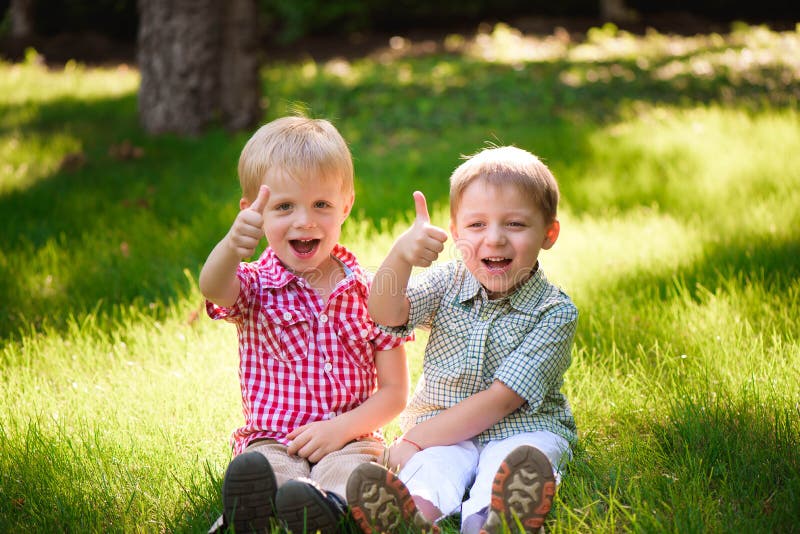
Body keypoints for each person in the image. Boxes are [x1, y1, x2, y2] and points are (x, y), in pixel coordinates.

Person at [346, 146, 578, 534]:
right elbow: (386, 313)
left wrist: (414, 439)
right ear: (456, 234)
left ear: (548, 233)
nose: (495, 239)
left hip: (524, 427)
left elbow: (501, 401)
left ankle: (495, 520)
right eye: (477, 225)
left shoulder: (554, 312)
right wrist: (401, 255)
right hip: (442, 430)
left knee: (518, 462)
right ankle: (412, 519)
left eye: (515, 224)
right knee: (431, 470)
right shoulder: (448, 281)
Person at [200, 115, 410, 534]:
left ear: (346, 205)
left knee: (352, 472)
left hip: (350, 437)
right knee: (265, 468)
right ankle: (252, 512)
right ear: (253, 212)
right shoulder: (255, 285)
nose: (305, 221)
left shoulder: (372, 294)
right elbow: (213, 287)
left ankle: (324, 509)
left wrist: (341, 429)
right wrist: (231, 246)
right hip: (275, 437)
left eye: (321, 205)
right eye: (284, 207)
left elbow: (395, 392)